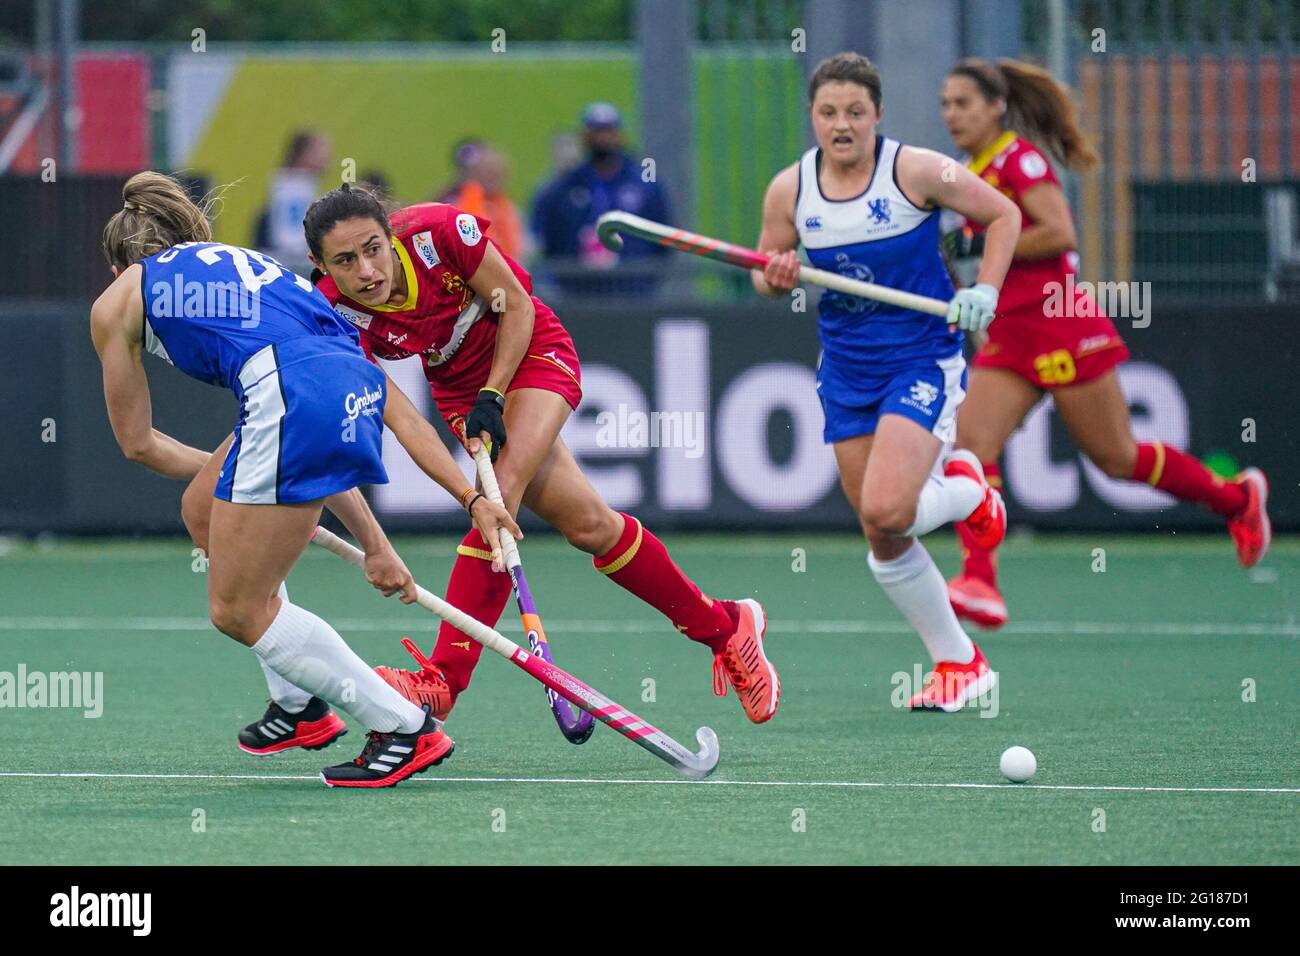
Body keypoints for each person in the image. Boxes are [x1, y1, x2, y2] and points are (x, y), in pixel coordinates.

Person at [94, 171, 519, 788]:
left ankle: (404, 726)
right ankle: (298, 706)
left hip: (282, 397)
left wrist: (254, 479)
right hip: (330, 390)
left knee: (236, 611)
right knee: (204, 509)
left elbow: (139, 445)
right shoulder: (254, 267)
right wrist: (432, 515)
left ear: (118, 266)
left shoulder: (116, 302)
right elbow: (382, 404)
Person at [303, 184, 780, 725]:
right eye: (345, 260)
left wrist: (494, 394)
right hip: (459, 390)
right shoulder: (331, 316)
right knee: (590, 528)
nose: (367, 270)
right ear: (321, 265)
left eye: (373, 248)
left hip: (529, 352)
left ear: (390, 238)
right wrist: (466, 494)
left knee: (498, 500)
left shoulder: (437, 233)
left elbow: (517, 304)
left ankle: (443, 680)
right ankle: (726, 626)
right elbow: (406, 421)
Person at [939, 58, 1270, 629]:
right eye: (945, 104)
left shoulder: (1019, 159)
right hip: (1014, 331)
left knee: (1118, 457)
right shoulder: (971, 170)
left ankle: (1237, 501)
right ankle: (981, 581)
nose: (951, 115)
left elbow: (1058, 232)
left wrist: (978, 241)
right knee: (970, 443)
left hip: (1060, 320)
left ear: (996, 107)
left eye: (962, 103)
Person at [752, 52, 1022, 712]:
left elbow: (1005, 214)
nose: (841, 125)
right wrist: (776, 274)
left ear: (876, 115)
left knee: (887, 509)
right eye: (828, 113)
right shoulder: (790, 189)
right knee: (883, 535)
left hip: (921, 358)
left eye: (854, 112)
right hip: (846, 368)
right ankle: (959, 664)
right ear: (813, 117)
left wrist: (986, 288)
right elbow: (764, 270)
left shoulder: (919, 171)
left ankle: (963, 491)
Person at [529, 103, 670, 296]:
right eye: (597, 132)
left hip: (634, 289)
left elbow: (662, 234)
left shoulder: (643, 184)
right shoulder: (565, 185)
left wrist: (647, 280)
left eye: (608, 131)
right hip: (579, 291)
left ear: (620, 134)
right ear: (585, 136)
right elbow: (547, 235)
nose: (603, 139)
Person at [253, 130, 331, 275]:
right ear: (305, 154)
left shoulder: (294, 184)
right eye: (321, 150)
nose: (328, 157)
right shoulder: (294, 188)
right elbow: (291, 241)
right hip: (287, 265)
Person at [438, 140, 526, 261]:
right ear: (473, 174)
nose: (494, 179)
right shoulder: (456, 205)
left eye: (498, 174)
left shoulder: (509, 208)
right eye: (489, 173)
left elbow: (521, 248)